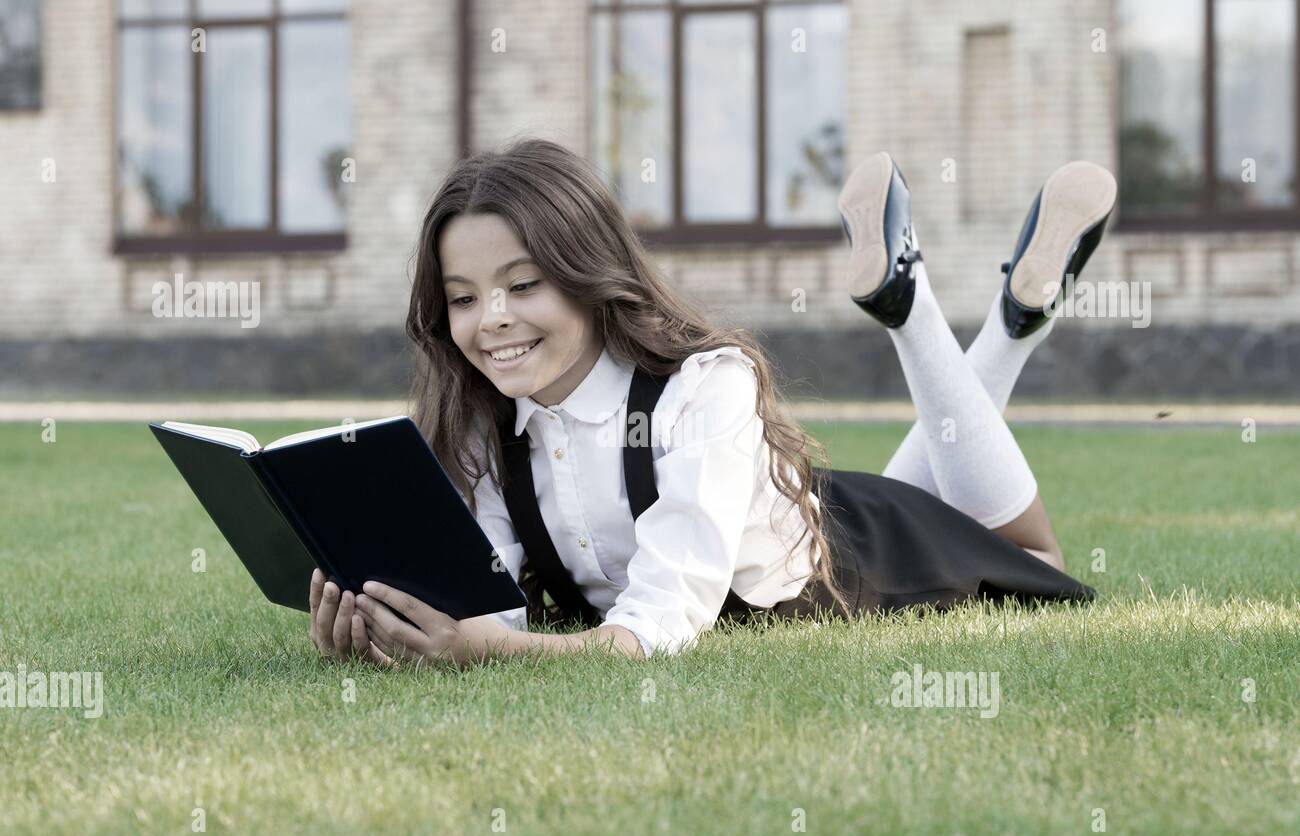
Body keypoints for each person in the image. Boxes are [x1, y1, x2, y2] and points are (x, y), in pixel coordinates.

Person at [306, 139, 1113, 667]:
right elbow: (491, 606)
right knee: (935, 484)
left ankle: (926, 318)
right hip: (791, 509)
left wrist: (483, 654)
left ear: (590, 273)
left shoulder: (703, 387)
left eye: (523, 286)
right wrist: (391, 628)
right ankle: (1010, 326)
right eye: (463, 298)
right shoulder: (486, 427)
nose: (493, 321)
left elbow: (660, 625)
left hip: (852, 562)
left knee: (1038, 561)